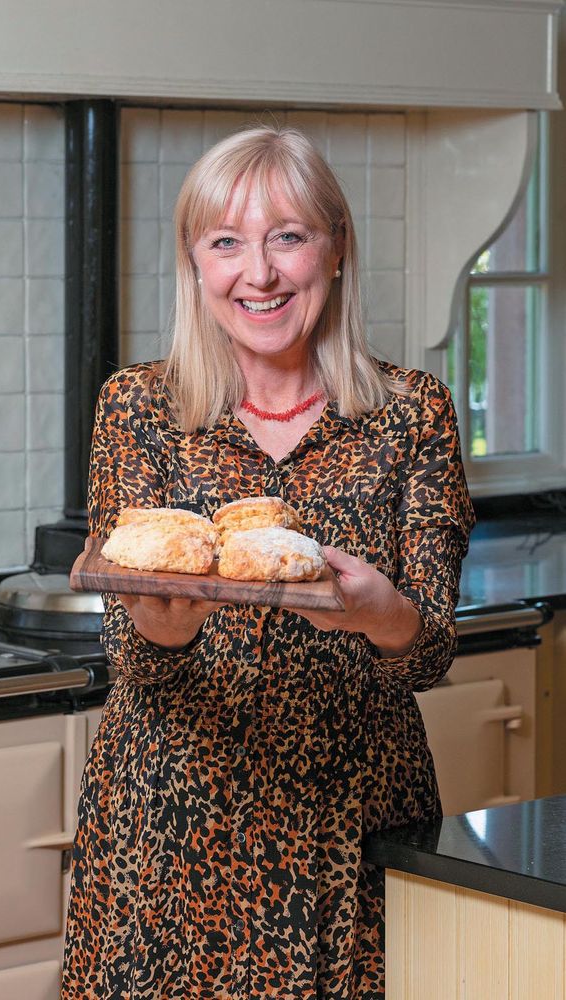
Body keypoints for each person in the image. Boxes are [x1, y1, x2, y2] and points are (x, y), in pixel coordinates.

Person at [61, 125, 474, 999]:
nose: (259, 273)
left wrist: (376, 610)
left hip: (353, 822)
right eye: (226, 243)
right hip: (171, 829)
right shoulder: (139, 408)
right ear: (194, 262)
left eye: (287, 236)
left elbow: (431, 648)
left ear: (334, 247)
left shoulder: (413, 416)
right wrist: (160, 629)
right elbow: (131, 658)